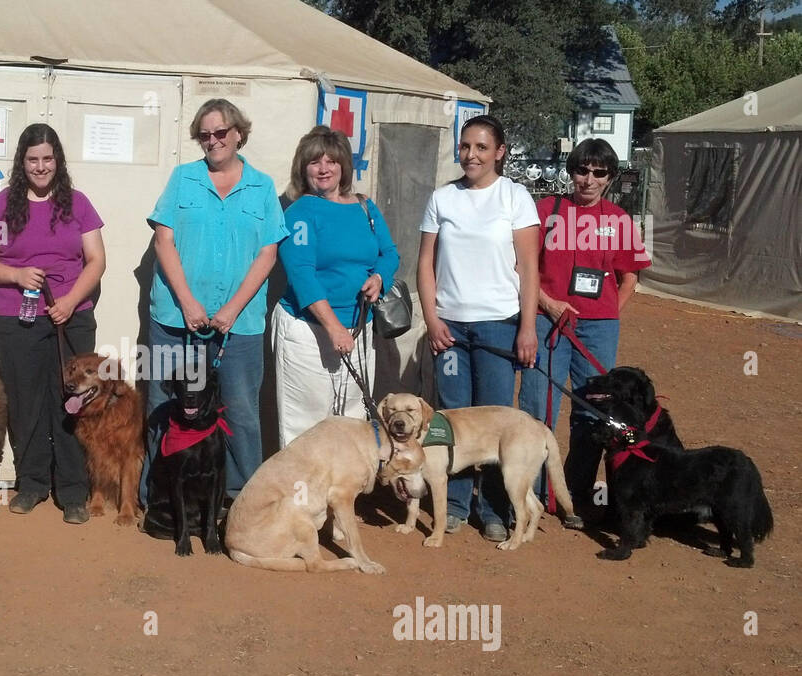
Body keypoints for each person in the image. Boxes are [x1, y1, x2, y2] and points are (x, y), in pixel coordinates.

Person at [145, 98, 288, 501]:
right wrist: (189, 302)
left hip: (238, 325)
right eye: (204, 135)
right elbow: (164, 239)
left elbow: (267, 253)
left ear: (238, 133)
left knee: (240, 412)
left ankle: (243, 498)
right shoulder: (182, 179)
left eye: (221, 132)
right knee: (165, 406)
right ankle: (159, 496)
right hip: (176, 319)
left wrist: (231, 309)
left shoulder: (262, 187)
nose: (213, 141)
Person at [0, 123, 106, 524]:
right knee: (25, 404)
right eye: (33, 159)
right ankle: (31, 484)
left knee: (72, 403)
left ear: (58, 161)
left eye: (48, 158)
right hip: (17, 320)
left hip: (71, 318)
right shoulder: (2, 206)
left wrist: (70, 300)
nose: (41, 166)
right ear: (22, 162)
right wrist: (15, 276)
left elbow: (96, 260)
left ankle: (73, 491)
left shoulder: (77, 204)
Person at [416, 114, 539, 542]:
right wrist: (432, 318)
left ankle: (492, 509)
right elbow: (425, 264)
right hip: (449, 326)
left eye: (481, 147)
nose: (471, 155)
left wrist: (527, 328)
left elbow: (529, 268)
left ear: (499, 153)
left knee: (492, 420)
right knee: (449, 419)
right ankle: (451, 503)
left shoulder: (515, 197)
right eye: (466, 146)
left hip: (498, 326)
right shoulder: (442, 198)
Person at [516, 137, 649, 511]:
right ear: (570, 171)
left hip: (597, 328)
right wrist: (548, 304)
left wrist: (606, 314)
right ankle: (532, 493)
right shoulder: (545, 211)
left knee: (593, 410)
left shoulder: (619, 220)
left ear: (609, 177)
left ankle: (573, 495)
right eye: (581, 170)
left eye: (599, 172)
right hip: (546, 322)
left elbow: (629, 279)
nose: (588, 179)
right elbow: (522, 267)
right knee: (537, 405)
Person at [274, 125, 399, 446]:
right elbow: (302, 274)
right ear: (304, 169)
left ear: (344, 165)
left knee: (352, 418)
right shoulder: (299, 212)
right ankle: (303, 494)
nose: (324, 168)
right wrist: (333, 328)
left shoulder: (365, 207)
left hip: (359, 327)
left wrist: (379, 278)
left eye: (331, 161)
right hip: (309, 330)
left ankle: (343, 493)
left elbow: (389, 253)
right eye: (315, 162)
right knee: (307, 425)